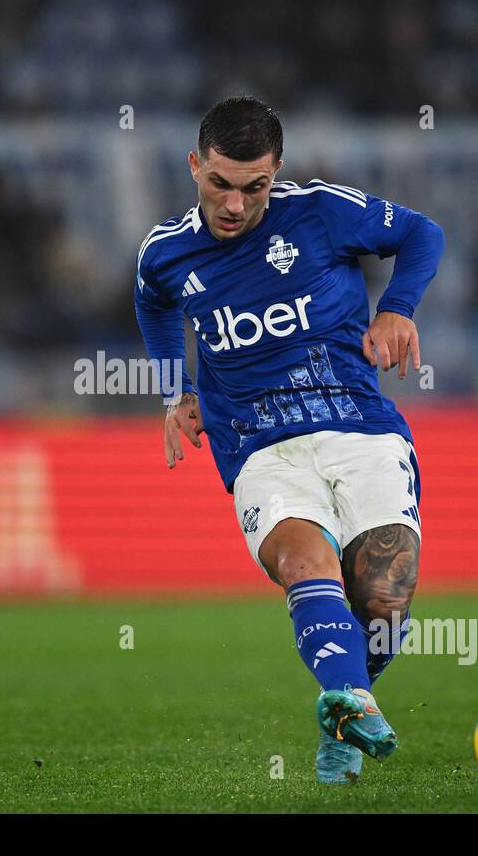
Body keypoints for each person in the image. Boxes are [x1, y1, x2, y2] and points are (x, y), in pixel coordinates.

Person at [134, 96, 443, 783]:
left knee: (386, 599)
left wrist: (396, 308)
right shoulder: (166, 252)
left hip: (358, 427)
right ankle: (349, 699)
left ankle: (349, 695)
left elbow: (423, 234)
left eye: (254, 187)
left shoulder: (324, 212)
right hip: (258, 446)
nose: (235, 205)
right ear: (194, 166)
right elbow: (152, 301)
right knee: (307, 565)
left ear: (277, 173)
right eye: (220, 183)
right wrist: (174, 391)